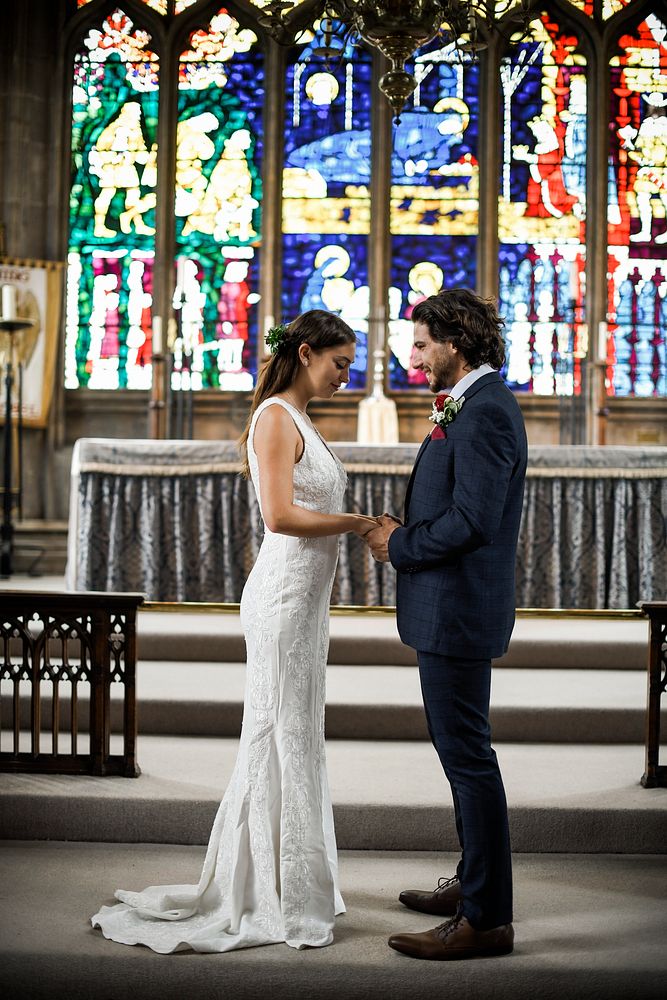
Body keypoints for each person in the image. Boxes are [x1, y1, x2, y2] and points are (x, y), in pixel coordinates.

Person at [91, 309, 376, 954]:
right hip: (281, 600)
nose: (346, 375)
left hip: (305, 604)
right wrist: (358, 523)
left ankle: (288, 880)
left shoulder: (300, 417)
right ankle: (265, 890)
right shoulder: (276, 417)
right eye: (339, 363)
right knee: (278, 737)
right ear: (306, 354)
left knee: (296, 736)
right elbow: (279, 516)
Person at [365, 288, 527, 961]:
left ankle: (485, 919)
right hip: (450, 608)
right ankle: (471, 883)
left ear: (454, 343)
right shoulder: (471, 401)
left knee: (467, 759)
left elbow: (473, 522)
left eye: (422, 343)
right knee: (461, 754)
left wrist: (398, 544)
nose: (413, 355)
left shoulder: (485, 411)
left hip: (457, 611)